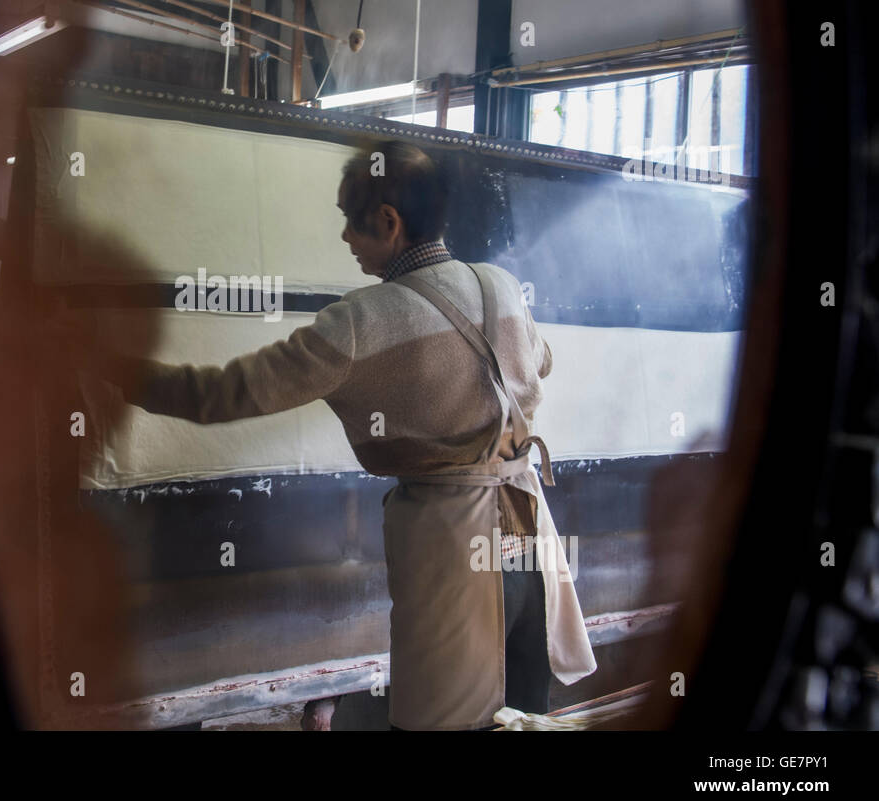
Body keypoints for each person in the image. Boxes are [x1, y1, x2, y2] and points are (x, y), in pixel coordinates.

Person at [99, 140, 597, 730]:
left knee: (436, 723)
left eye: (349, 222)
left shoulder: (357, 323)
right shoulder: (502, 286)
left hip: (451, 547)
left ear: (389, 222)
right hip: (529, 534)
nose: (343, 238)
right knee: (526, 721)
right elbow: (541, 364)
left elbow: (225, 394)